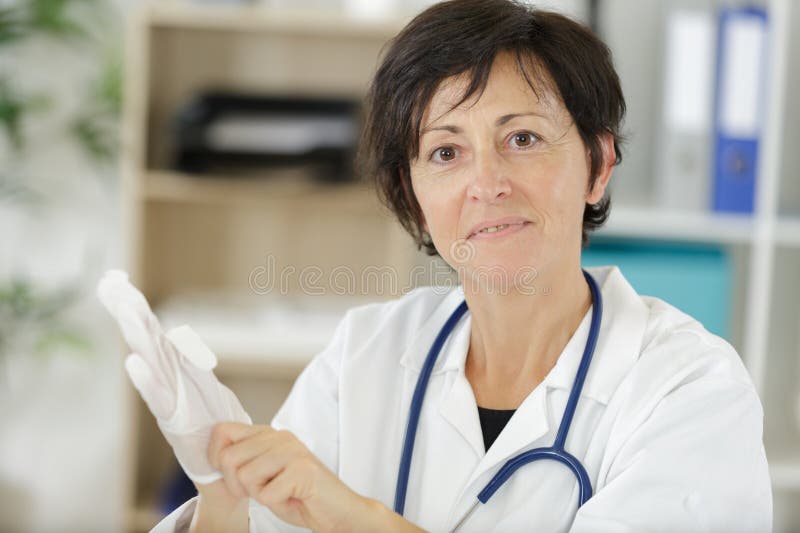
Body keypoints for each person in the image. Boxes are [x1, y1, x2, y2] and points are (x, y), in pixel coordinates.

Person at [153, 0, 772, 531]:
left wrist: (350, 517)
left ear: (598, 163)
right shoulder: (365, 355)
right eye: (446, 151)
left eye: (522, 139)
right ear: (415, 198)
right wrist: (223, 495)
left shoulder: (688, 389)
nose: (487, 183)